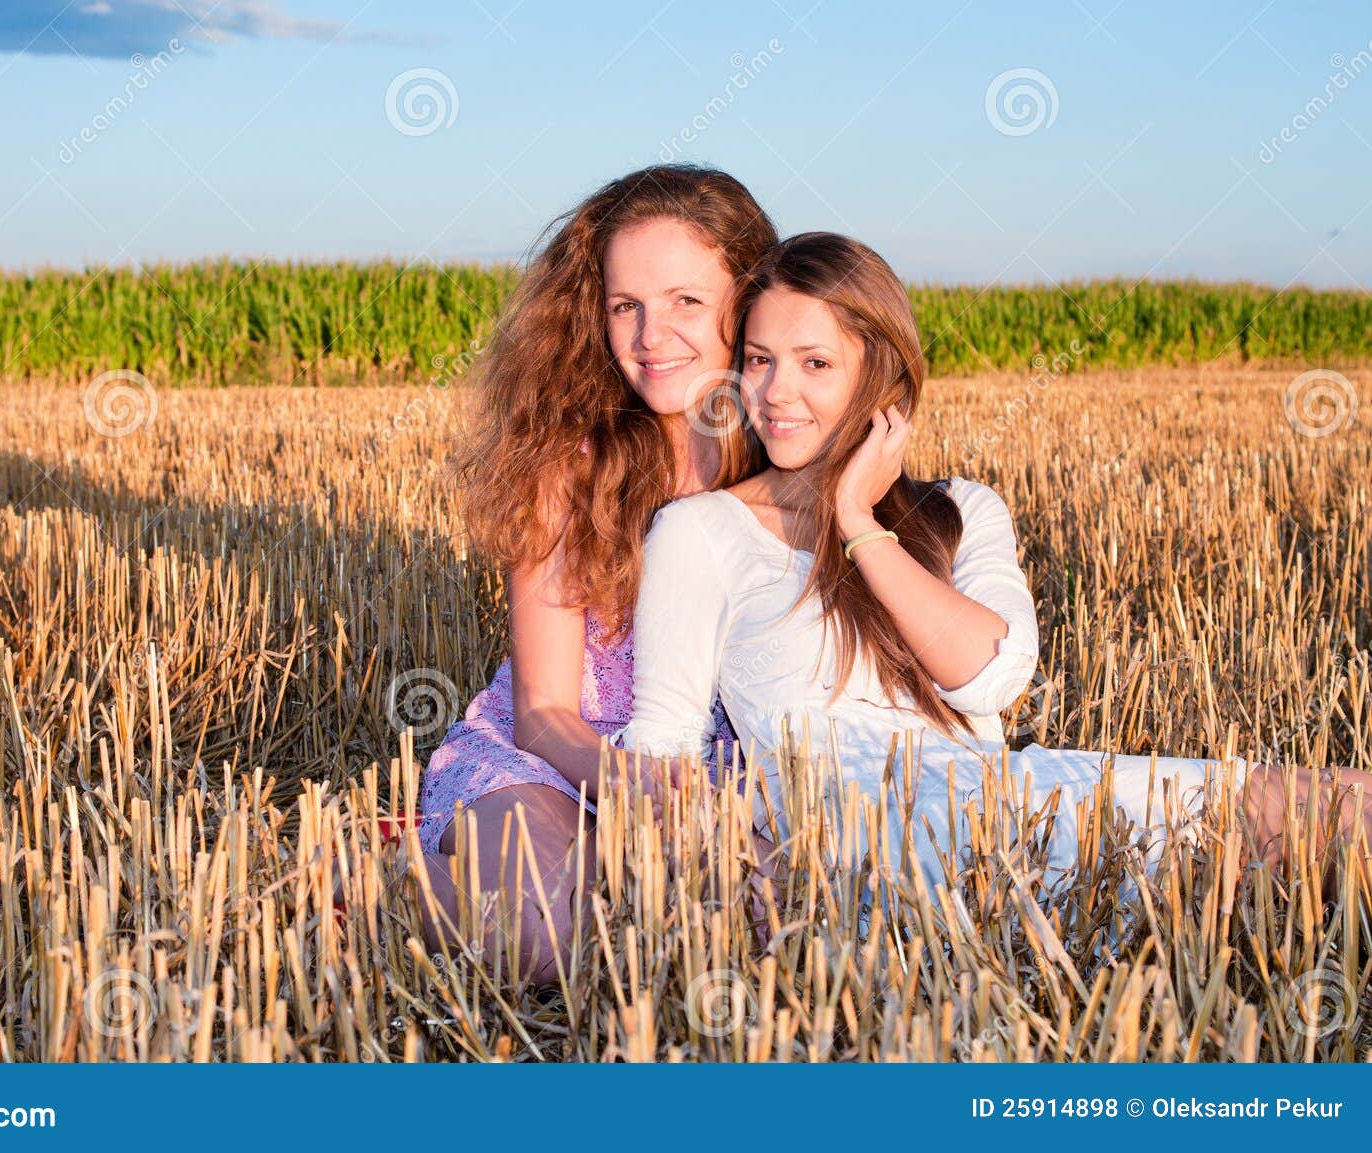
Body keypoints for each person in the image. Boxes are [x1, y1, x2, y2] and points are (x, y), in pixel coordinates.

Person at [617, 231, 1372, 895]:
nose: (778, 391)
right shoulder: (699, 531)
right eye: (759, 360)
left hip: (998, 804)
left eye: (816, 362)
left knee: (1334, 802)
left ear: (880, 378)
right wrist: (746, 869)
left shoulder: (960, 512)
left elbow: (991, 680)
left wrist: (856, 521)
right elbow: (663, 747)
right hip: (858, 856)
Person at [411, 165, 778, 980]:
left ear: (750, 300)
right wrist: (636, 788)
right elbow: (543, 711)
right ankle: (378, 883)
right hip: (557, 762)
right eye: (625, 306)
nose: (651, 334)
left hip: (721, 782)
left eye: (686, 301)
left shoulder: (789, 457)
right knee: (549, 934)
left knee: (773, 928)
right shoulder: (566, 465)